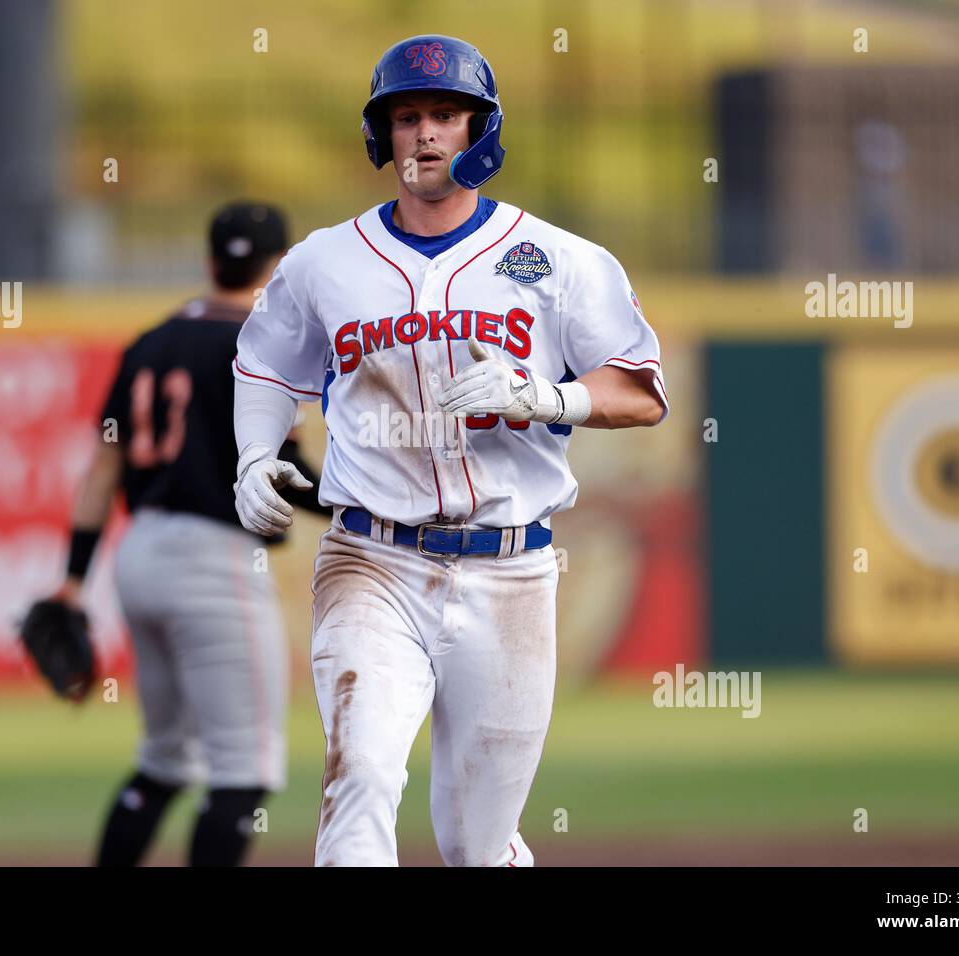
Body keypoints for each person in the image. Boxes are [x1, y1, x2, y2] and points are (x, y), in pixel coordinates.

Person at [230, 35, 669, 867]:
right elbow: (261, 366)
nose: (425, 135)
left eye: (444, 115)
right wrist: (255, 456)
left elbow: (641, 391)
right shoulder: (326, 261)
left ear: (480, 131)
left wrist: (548, 397)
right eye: (406, 117)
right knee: (359, 775)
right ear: (381, 135)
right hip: (371, 558)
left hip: (511, 570)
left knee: (476, 843)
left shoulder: (559, 259)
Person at [45, 201, 327, 866]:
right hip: (217, 560)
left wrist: (72, 580)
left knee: (165, 761)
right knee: (246, 774)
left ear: (209, 261)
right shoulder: (262, 342)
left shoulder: (149, 342)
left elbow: (101, 472)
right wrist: (363, 503)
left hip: (138, 553)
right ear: (279, 266)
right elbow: (287, 471)